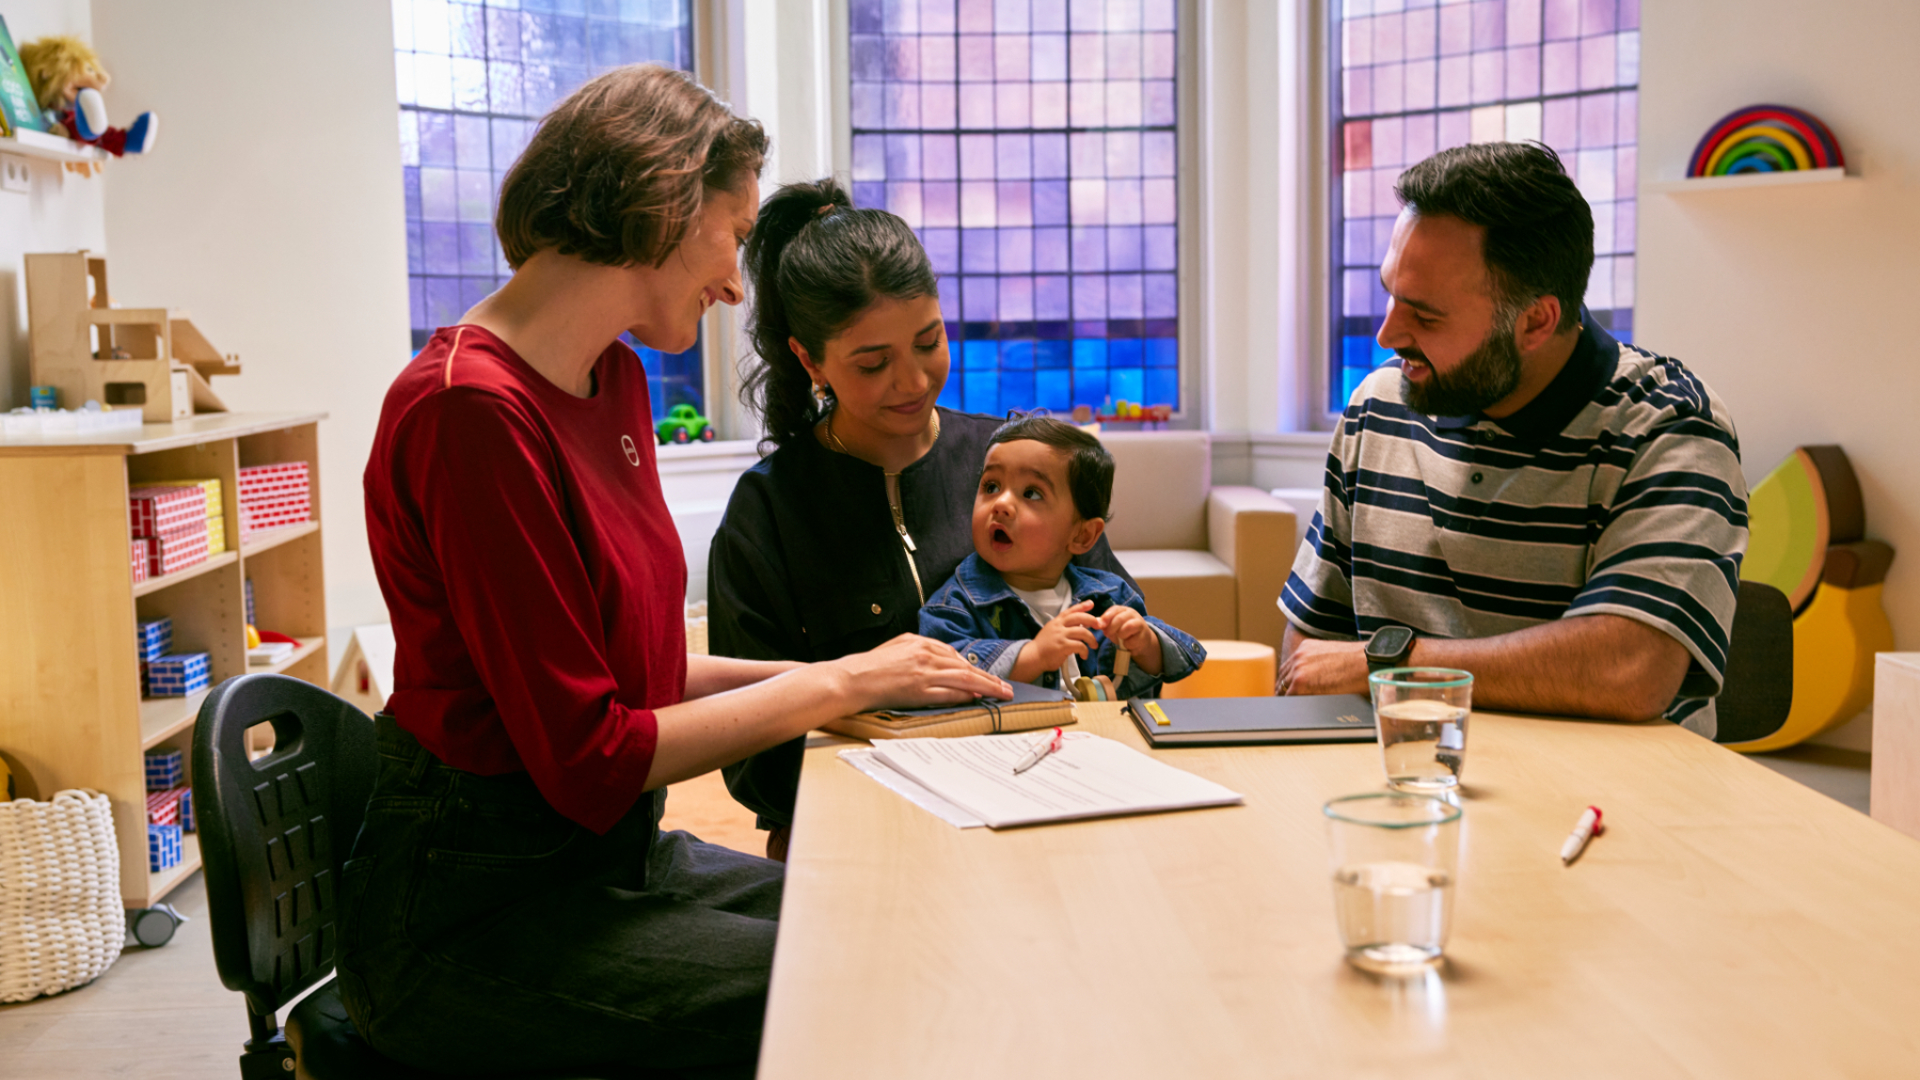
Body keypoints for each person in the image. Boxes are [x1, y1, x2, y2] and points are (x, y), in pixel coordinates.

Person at [336, 66, 1007, 1079]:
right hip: (472, 909)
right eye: (733, 238)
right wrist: (838, 683)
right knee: (872, 987)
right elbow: (592, 757)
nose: (738, 280)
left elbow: (637, 671)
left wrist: (870, 674)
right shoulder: (466, 413)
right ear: (661, 207)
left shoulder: (612, 379)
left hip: (613, 862)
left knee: (922, 926)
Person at [708, 180, 1137, 850]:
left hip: (1049, 808)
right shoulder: (768, 510)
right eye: (873, 363)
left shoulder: (1018, 459)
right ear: (808, 359)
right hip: (855, 833)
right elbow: (753, 759)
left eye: (929, 341)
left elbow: (1117, 636)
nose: (912, 381)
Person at [1279, 142, 1749, 738]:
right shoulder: (1379, 409)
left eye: (1425, 316)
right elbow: (1310, 655)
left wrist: (1391, 663)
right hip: (1406, 791)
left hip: (1607, 806)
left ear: (1535, 321)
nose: (1387, 333)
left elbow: (1630, 667)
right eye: (1390, 293)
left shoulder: (1670, 426)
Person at [919, 415, 1205, 698]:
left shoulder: (1108, 597)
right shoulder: (955, 605)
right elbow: (938, 673)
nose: (1001, 504)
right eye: (991, 487)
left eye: (1031, 493)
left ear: (1082, 536)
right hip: (1010, 740)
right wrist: (1033, 655)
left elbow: (1162, 669)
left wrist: (1146, 646)